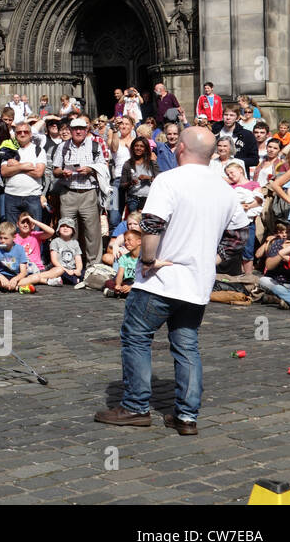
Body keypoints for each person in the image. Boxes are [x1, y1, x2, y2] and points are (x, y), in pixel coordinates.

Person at [95, 126, 251, 434]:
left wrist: (149, 259)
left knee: (137, 336)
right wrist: (212, 260)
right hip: (197, 282)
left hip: (162, 279)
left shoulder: (168, 180)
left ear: (181, 147)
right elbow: (239, 236)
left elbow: (151, 223)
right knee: (186, 344)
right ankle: (186, 416)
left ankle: (136, 406)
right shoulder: (224, 189)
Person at [50, 117, 108, 272]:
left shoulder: (94, 146)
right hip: (68, 193)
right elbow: (55, 170)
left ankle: (93, 267)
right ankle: (69, 267)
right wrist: (62, 172)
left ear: (87, 129)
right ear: (70, 130)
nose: (78, 131)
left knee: (92, 233)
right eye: (75, 128)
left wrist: (90, 169)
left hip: (89, 192)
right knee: (67, 231)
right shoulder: (63, 146)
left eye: (82, 128)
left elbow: (104, 167)